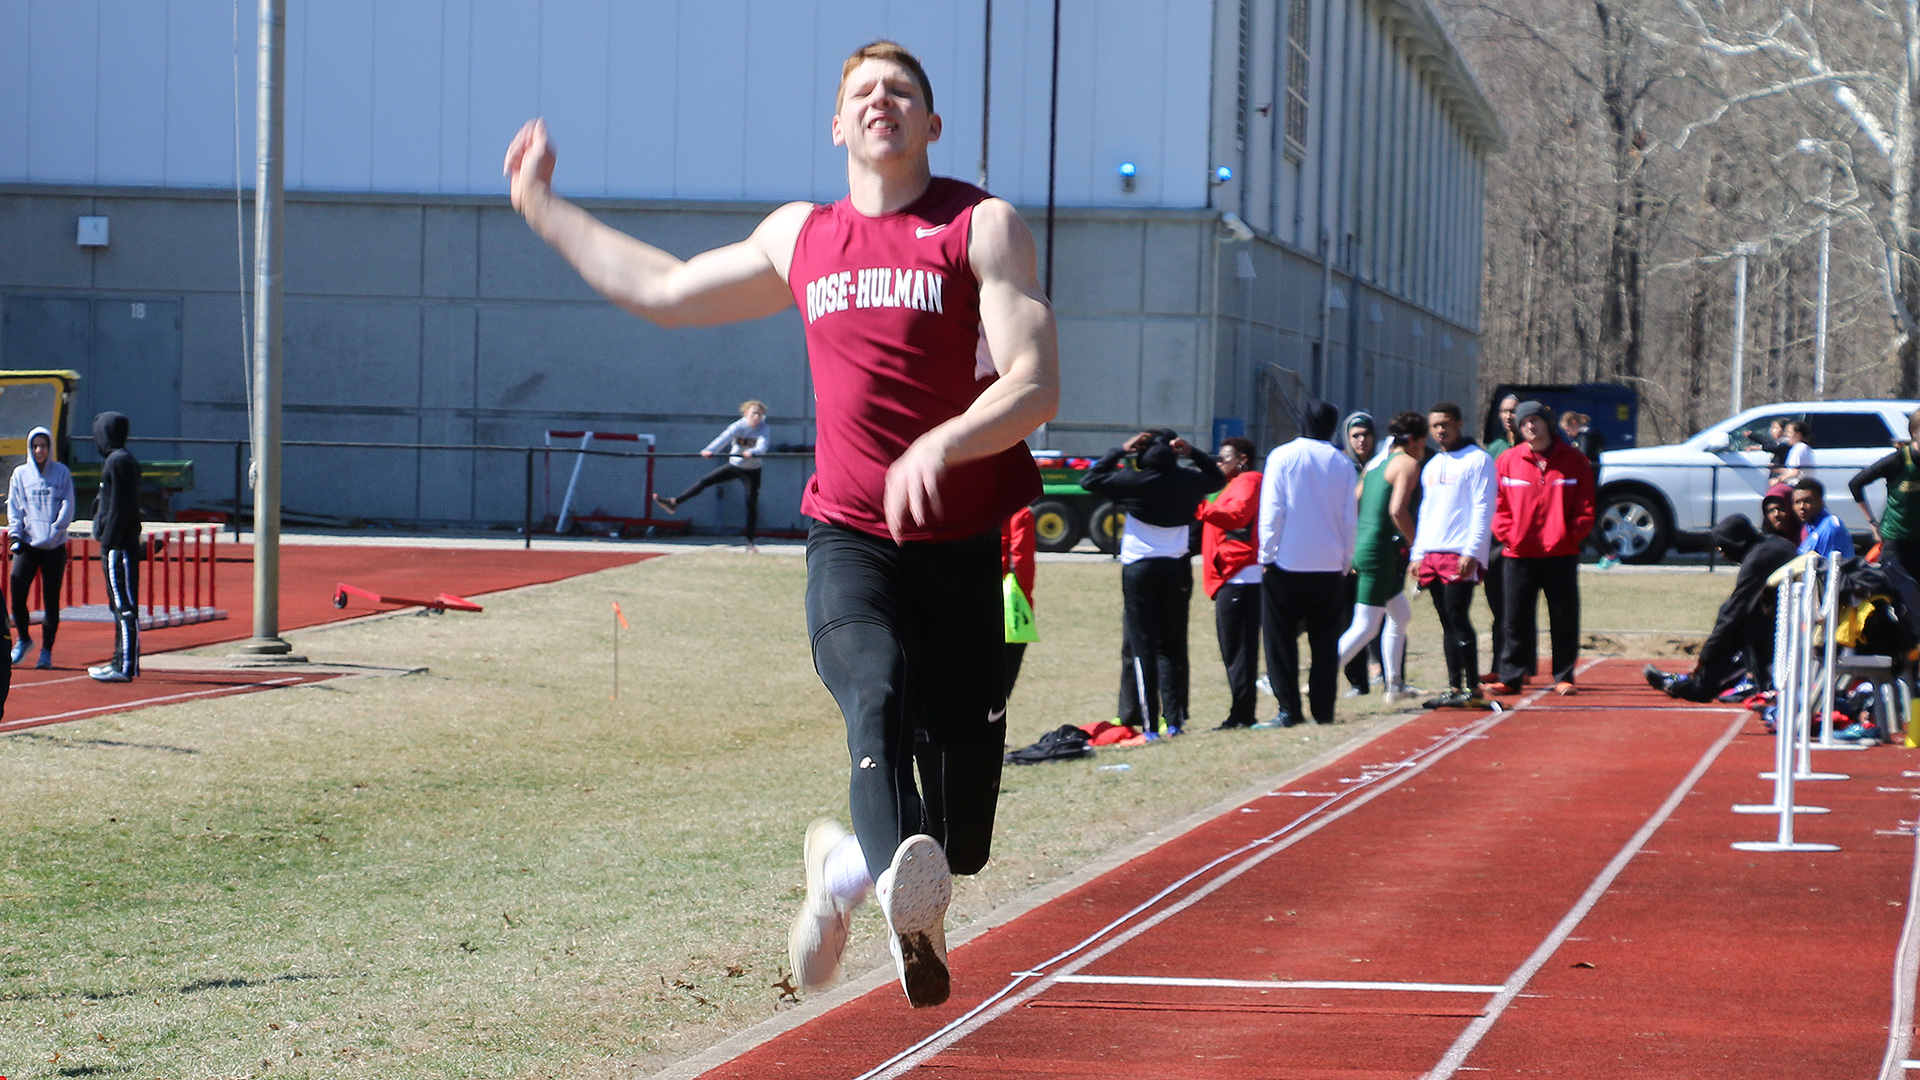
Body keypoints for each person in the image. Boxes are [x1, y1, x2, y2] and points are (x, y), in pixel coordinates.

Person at [505, 40, 1059, 1009]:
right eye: (863, 91)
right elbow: (667, 292)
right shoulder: (803, 235)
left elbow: (1036, 382)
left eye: (901, 90)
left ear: (932, 123)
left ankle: (845, 869)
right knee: (873, 698)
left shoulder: (980, 225)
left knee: (963, 837)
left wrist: (945, 444)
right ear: (837, 125)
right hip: (852, 537)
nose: (881, 100)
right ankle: (901, 909)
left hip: (967, 548)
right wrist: (544, 207)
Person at [1081, 430, 1225, 735]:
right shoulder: (1189, 480)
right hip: (1174, 567)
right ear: (1174, 454)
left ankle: (1149, 726)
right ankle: (1174, 721)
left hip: (1139, 567)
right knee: (1170, 646)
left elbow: (1090, 480)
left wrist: (1120, 450)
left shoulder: (1135, 481)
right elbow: (1217, 478)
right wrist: (1194, 453)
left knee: (1143, 646)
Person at [1255, 399, 1359, 727]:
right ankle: (1323, 710)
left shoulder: (1282, 456)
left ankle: (1289, 709)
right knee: (1325, 644)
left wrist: (1266, 555)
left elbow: (1273, 509)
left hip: (1288, 562)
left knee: (1280, 640)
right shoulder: (1343, 462)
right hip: (1329, 565)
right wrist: (1345, 560)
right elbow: (1349, 518)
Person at [1488, 402, 1594, 696]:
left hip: (1561, 554)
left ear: (1547, 422)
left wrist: (1569, 536)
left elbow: (1586, 507)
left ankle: (1564, 675)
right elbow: (1498, 505)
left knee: (1563, 617)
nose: (1530, 427)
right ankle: (1511, 676)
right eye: (1524, 423)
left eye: (1535, 420)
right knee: (1514, 618)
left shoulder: (1575, 461)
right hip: (1518, 554)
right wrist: (1509, 535)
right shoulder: (1507, 460)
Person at [1644, 510, 1798, 701]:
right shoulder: (1770, 544)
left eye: (1722, 545)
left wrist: (1705, 656)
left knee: (1739, 621)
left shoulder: (1757, 560)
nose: (1719, 550)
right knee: (1737, 616)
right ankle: (1698, 681)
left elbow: (1733, 614)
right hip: (1791, 611)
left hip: (1792, 622)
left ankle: (1705, 685)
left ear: (1736, 542)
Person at [1334, 411, 1427, 706]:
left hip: (1363, 545)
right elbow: (1398, 510)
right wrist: (1418, 546)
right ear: (1415, 440)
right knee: (1366, 626)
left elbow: (1354, 501)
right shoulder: (1408, 464)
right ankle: (1320, 676)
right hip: (1379, 551)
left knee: (1400, 614)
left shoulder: (1375, 464)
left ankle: (1395, 685)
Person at [1411, 401, 1496, 709]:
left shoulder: (1478, 460)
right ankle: (1453, 686)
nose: (1440, 430)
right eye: (1435, 425)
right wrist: (1418, 553)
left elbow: (1483, 507)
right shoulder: (1432, 465)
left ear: (1459, 423)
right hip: (1432, 552)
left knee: (1458, 616)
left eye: (1446, 424)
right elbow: (1425, 512)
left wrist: (1472, 550)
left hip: (1459, 553)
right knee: (1446, 620)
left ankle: (1473, 687)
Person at [1195, 436, 1264, 729]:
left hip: (1240, 578)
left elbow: (1237, 515)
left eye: (1224, 458)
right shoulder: (1233, 484)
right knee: (1234, 650)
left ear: (1242, 459)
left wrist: (1199, 507)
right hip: (1234, 577)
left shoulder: (1248, 480)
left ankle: (1242, 715)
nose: (1219, 463)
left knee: (1238, 651)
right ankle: (1241, 712)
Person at [655, 399, 771, 549]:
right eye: (754, 414)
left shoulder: (763, 428)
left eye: (759, 415)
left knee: (751, 504)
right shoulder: (738, 425)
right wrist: (710, 450)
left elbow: (763, 444)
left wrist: (753, 452)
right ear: (745, 413)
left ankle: (750, 542)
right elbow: (724, 438)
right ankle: (674, 503)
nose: (756, 417)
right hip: (735, 465)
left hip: (753, 470)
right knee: (705, 481)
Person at [8, 425, 75, 669]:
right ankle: (24, 639)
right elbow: (15, 506)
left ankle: (46, 651)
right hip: (28, 544)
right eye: (35, 446)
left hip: (54, 546)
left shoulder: (61, 473)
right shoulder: (20, 474)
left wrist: (55, 530)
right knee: (17, 592)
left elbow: (67, 504)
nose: (39, 451)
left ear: (50, 447)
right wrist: (15, 535)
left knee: (50, 600)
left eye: (43, 446)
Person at [1848, 409, 1920, 632]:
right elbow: (1856, 483)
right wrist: (1872, 522)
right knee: (1909, 602)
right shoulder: (1899, 460)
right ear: (1915, 433)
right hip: (1896, 544)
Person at [89, 412, 141, 684]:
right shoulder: (118, 461)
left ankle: (125, 665)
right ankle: (120, 660)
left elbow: (121, 506)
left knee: (124, 606)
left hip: (118, 547)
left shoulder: (118, 461)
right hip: (117, 544)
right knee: (118, 605)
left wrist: (108, 539)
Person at [1338, 412, 1384, 696]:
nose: (1361, 440)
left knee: (1385, 615)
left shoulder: (1383, 465)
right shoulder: (1341, 467)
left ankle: (1389, 674)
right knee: (1348, 618)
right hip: (1348, 554)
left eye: (1366, 434)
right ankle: (1357, 681)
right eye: (1355, 435)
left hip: (1378, 551)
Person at [1482, 393, 1520, 685]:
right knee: (1498, 607)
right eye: (1504, 411)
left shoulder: (1532, 447)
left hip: (1523, 538)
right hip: (1496, 536)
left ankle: (1521, 664)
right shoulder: (1494, 449)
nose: (1509, 416)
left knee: (1518, 607)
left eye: (1514, 411)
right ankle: (1498, 664)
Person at [1001, 505, 1036, 697]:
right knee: (1002, 686)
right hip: (1010, 605)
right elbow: (1022, 559)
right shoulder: (1020, 513)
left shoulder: (976, 508)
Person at [1793, 478, 1854, 560]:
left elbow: (1828, 566)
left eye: (1807, 501)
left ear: (1821, 501)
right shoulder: (1810, 526)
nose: (1802, 507)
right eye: (1797, 502)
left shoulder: (1829, 529)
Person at [1776, 420, 1814, 484]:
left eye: (1789, 432)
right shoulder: (1800, 447)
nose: (1786, 435)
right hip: (1796, 483)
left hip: (1798, 484)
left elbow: (1795, 472)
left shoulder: (1799, 448)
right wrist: (1776, 469)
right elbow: (1792, 470)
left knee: (1775, 489)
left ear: (1799, 435)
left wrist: (1778, 479)